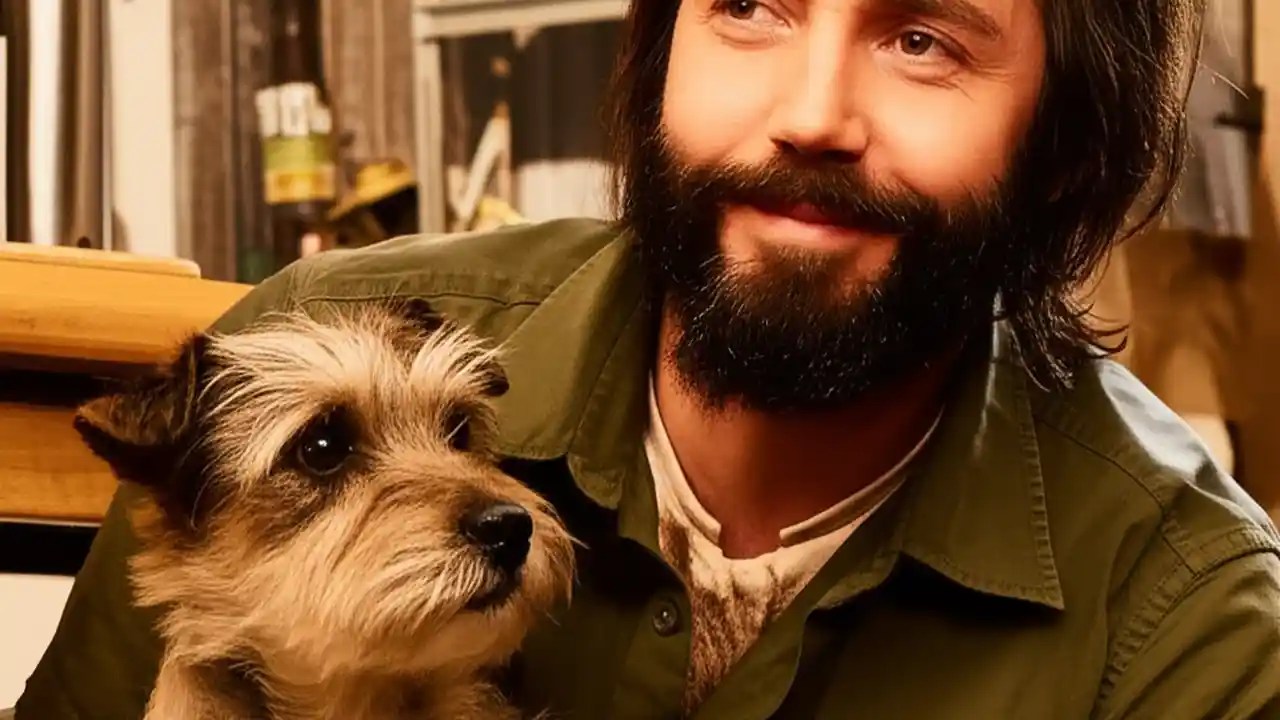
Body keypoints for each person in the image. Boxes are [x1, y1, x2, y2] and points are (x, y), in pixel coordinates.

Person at [16, 0, 1280, 718]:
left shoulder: (1189, 623)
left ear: (1067, 143)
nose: (808, 114)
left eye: (923, 38)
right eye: (747, 4)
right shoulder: (299, 341)